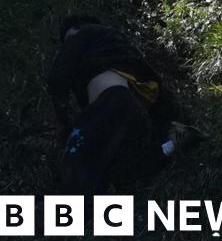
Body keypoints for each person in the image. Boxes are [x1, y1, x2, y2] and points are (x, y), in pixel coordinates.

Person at [48, 15, 203, 193]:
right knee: (128, 168)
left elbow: (57, 80)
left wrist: (64, 123)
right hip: (134, 109)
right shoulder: (121, 46)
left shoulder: (83, 34)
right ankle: (171, 145)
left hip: (111, 101)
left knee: (75, 166)